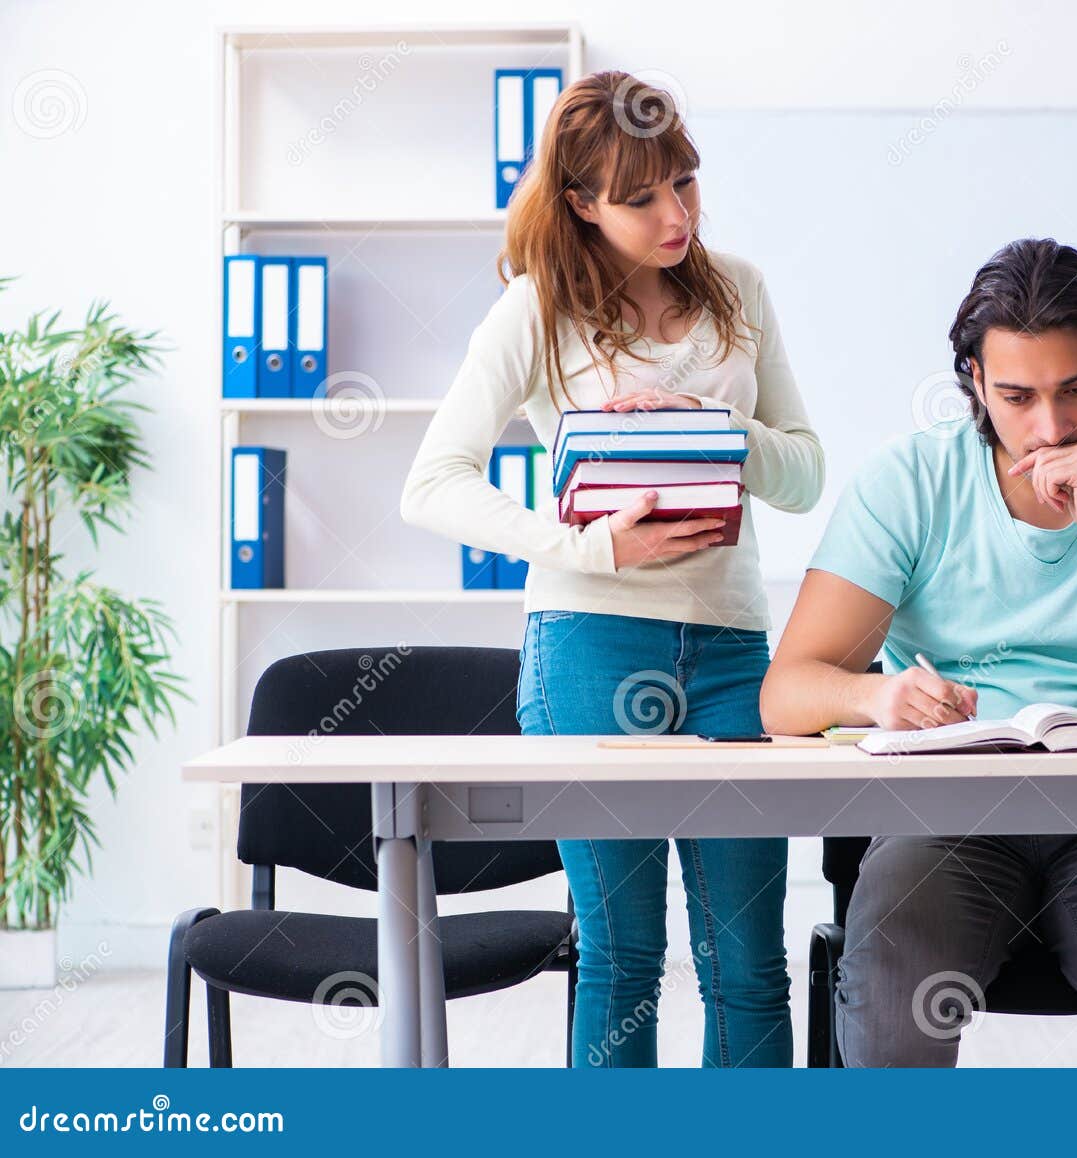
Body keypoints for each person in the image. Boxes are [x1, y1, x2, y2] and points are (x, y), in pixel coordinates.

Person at [760, 238, 1077, 1067]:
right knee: (892, 1001)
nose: (1051, 426)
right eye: (1017, 396)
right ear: (973, 380)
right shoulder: (910, 483)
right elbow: (786, 692)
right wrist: (874, 698)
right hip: (948, 819)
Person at [401, 71, 825, 1067]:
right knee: (623, 958)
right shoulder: (534, 311)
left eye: (683, 182)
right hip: (588, 646)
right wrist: (585, 544)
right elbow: (432, 484)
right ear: (582, 203)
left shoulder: (740, 289)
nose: (675, 214)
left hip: (730, 652)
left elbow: (803, 476)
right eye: (642, 198)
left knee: (747, 964)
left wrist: (718, 431)